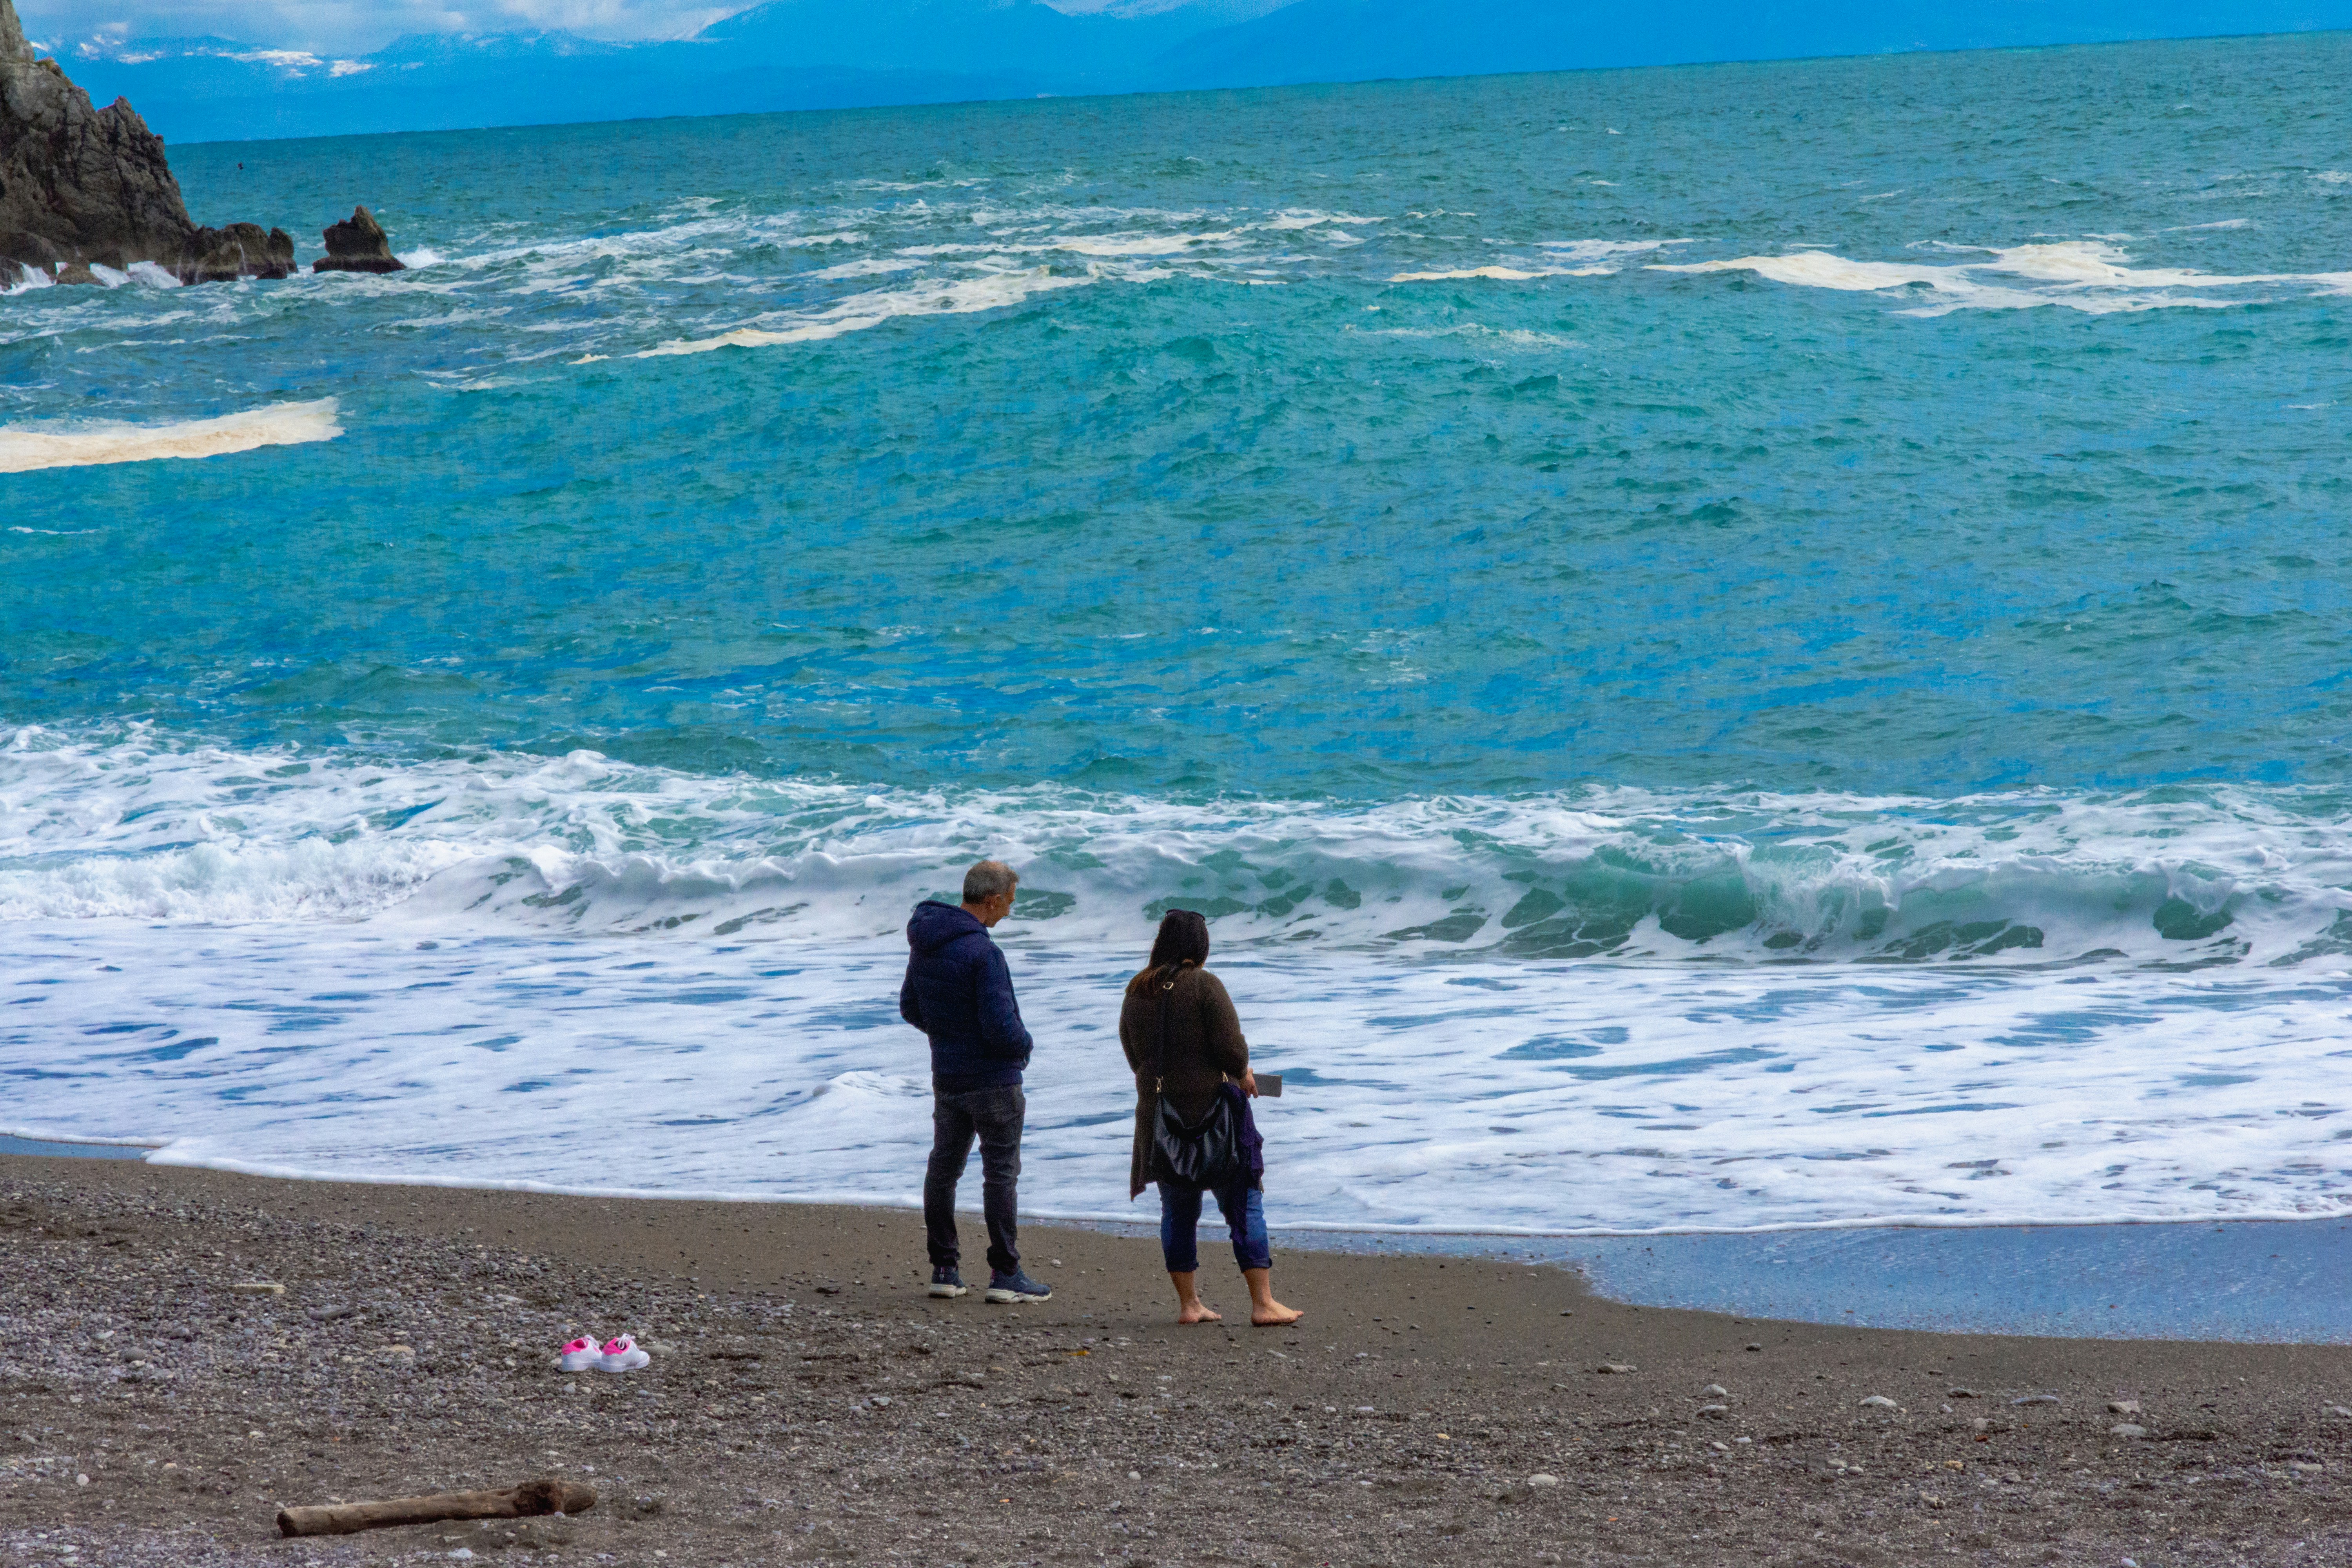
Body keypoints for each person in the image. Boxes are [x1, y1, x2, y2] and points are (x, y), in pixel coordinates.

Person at [1119, 908, 1303, 1327]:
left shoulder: (1136, 990)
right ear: (1201, 947)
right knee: (1243, 1202)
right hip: (1215, 1115)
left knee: (1179, 1209)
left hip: (1161, 1118)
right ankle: (1262, 1303)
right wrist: (1244, 1075)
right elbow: (1234, 1052)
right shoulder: (1205, 985)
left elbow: (1135, 1055)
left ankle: (1189, 1304)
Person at [900, 859, 1053, 1305]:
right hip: (993, 1081)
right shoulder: (984, 953)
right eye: (1009, 901)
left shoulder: (926, 943)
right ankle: (1006, 1273)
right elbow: (1002, 1030)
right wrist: (1026, 1045)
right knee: (1000, 1174)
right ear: (992, 900)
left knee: (944, 1169)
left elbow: (911, 1007)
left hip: (947, 1076)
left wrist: (949, 1037)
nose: (1010, 909)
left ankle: (944, 1268)